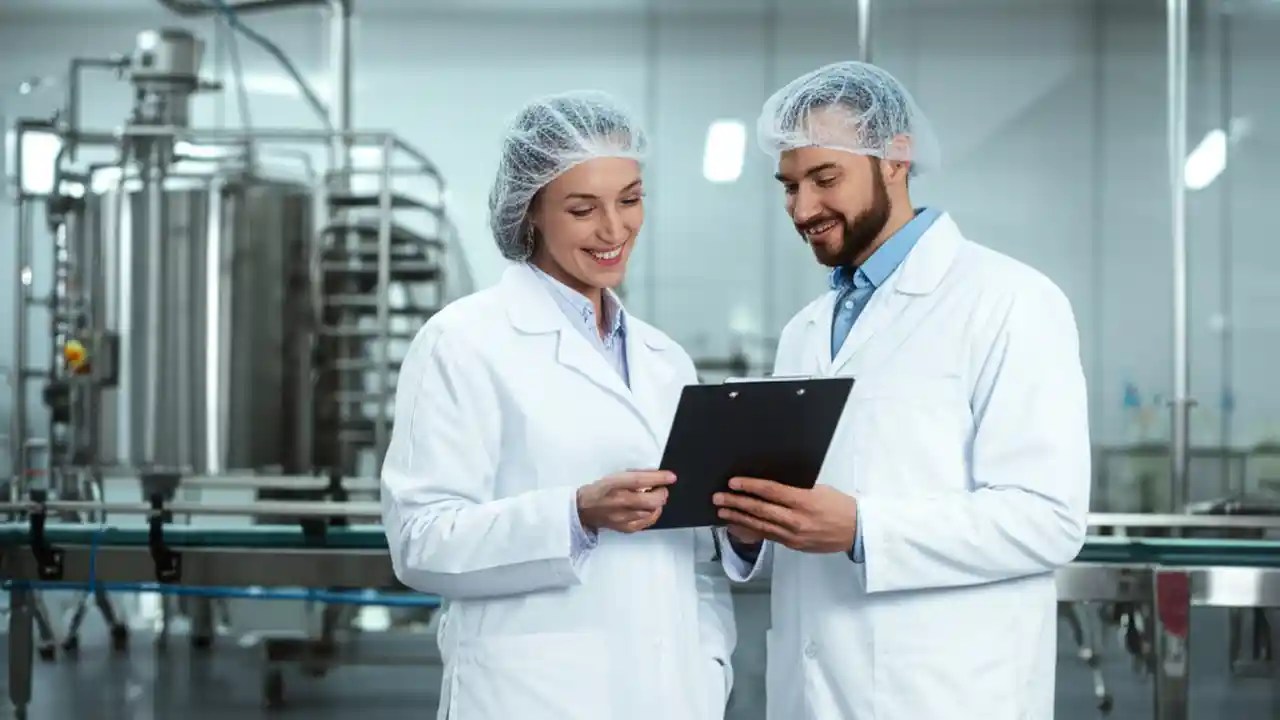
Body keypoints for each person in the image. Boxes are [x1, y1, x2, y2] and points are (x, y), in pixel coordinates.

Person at [711, 61, 1091, 719]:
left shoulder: (1009, 301)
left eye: (825, 179)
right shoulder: (806, 331)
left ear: (897, 157)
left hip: (946, 692)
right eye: (790, 185)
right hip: (811, 693)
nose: (803, 209)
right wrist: (752, 534)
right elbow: (810, 535)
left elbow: (1047, 519)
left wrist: (861, 526)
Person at [381, 90, 736, 720]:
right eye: (583, 208)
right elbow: (419, 541)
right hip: (531, 696)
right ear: (530, 213)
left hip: (671, 696)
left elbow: (697, 560)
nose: (614, 230)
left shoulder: (666, 359)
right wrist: (574, 514)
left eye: (630, 200)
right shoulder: (464, 341)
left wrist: (708, 670)